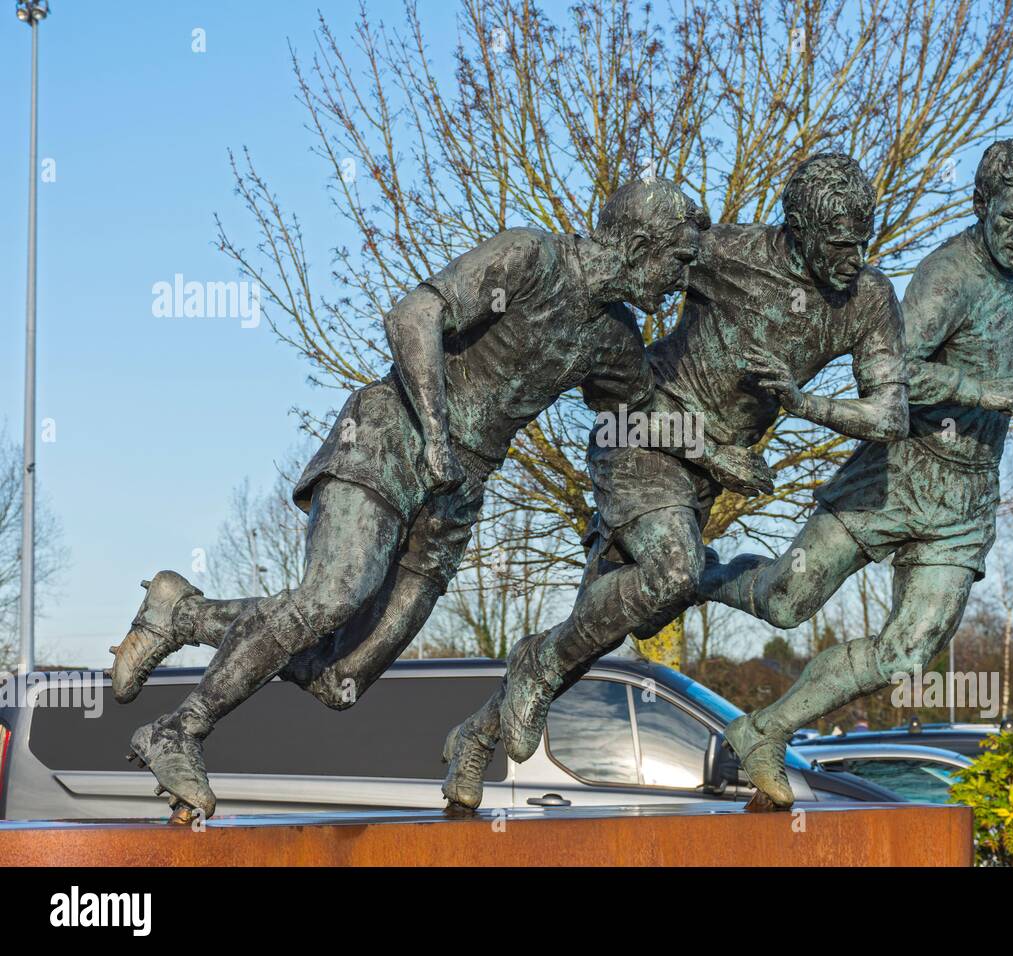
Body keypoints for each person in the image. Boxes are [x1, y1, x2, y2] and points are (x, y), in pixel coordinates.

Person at [113, 178, 769, 821]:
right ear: (641, 242)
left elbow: (640, 412)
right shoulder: (531, 257)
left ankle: (184, 611)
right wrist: (434, 433)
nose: (680, 280)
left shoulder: (614, 338)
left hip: (458, 495)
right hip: (392, 435)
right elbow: (413, 313)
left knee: (341, 677)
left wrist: (718, 455)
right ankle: (178, 731)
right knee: (332, 595)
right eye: (678, 262)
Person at [442, 152, 911, 811]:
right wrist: (531, 350)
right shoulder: (728, 253)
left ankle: (474, 733)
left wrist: (803, 405)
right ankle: (537, 667)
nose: (853, 255)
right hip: (642, 433)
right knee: (678, 570)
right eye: (838, 241)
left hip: (702, 478)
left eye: (864, 238)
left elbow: (890, 415)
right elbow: (630, 259)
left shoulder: (868, 298)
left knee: (595, 630)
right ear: (796, 227)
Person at [699, 138, 1013, 806]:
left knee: (906, 655)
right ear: (980, 204)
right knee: (786, 601)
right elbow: (892, 381)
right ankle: (691, 576)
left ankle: (764, 731)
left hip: (965, 499)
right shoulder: (947, 276)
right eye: (1009, 217)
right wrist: (977, 391)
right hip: (897, 473)